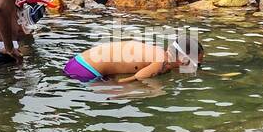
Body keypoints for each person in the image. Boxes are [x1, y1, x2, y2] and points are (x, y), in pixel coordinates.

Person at [64, 35, 204, 83]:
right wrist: (121, 85)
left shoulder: (156, 50)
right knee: (153, 91)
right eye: (196, 65)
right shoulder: (163, 61)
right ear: (184, 59)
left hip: (75, 62)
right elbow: (137, 77)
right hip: (85, 72)